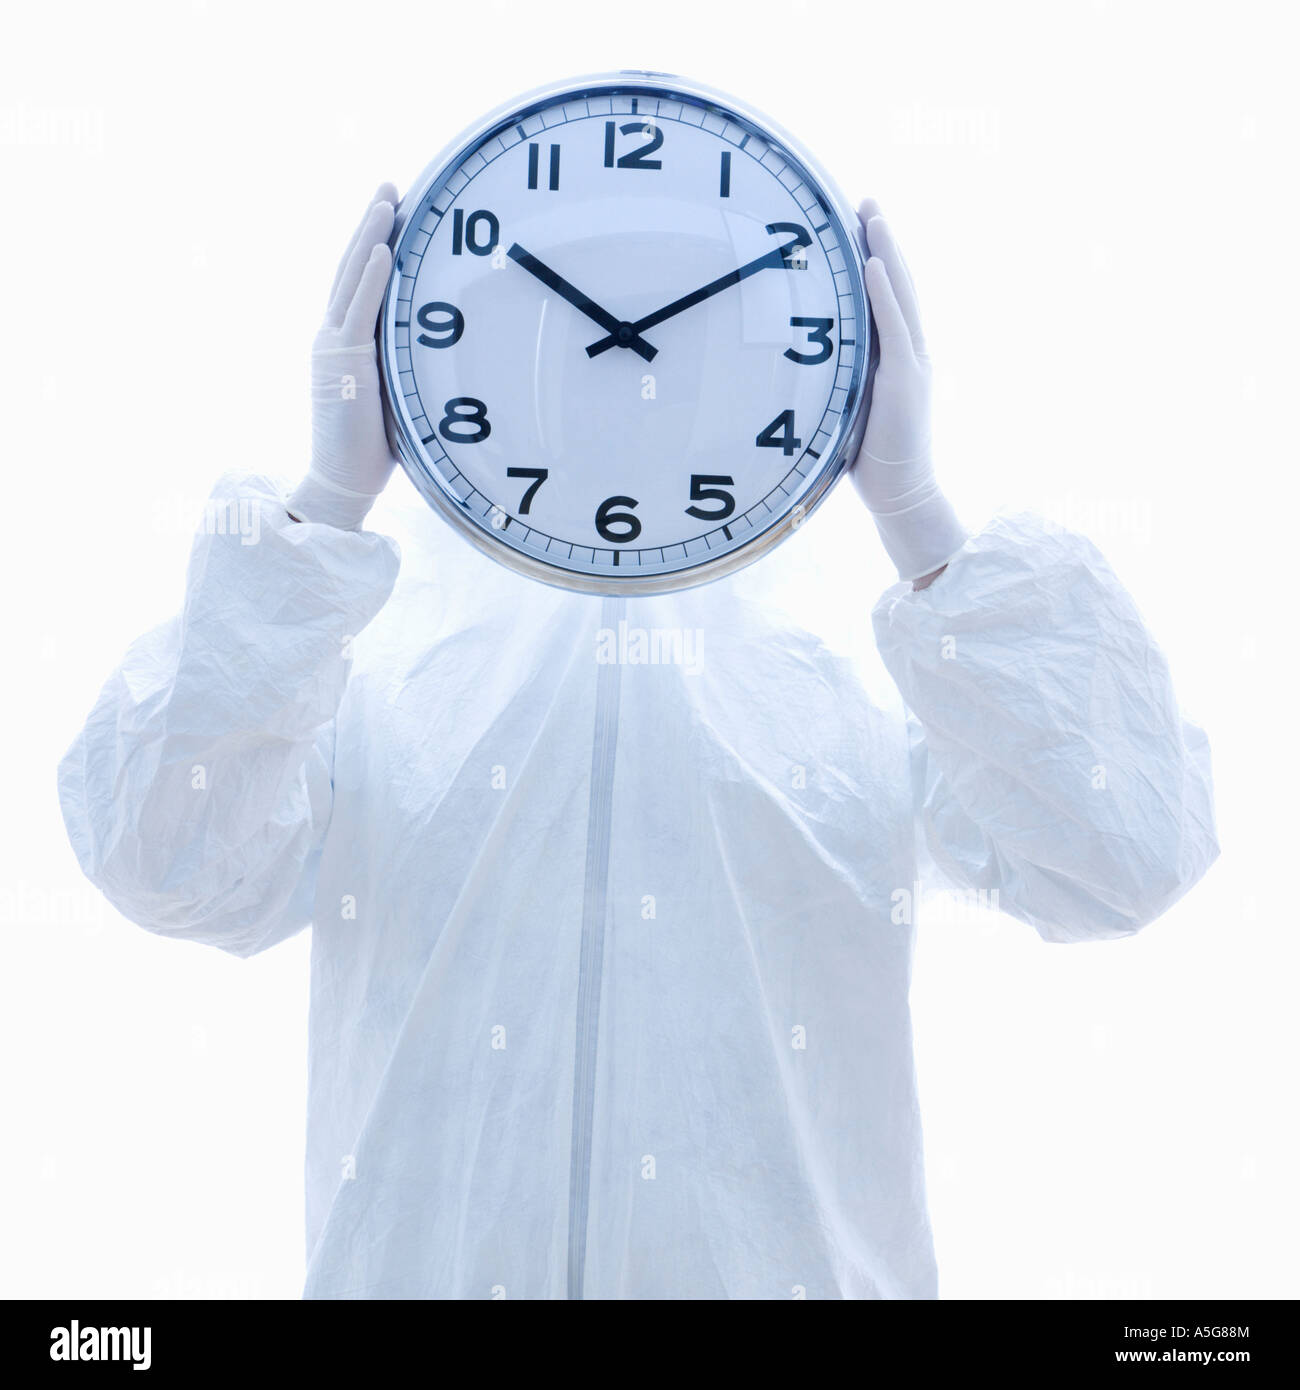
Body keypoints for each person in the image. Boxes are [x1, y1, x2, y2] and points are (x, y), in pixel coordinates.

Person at [58, 185, 1219, 1300]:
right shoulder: (376, 626)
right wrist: (322, 511)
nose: (625, 350)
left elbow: (1120, 858)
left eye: (687, 311)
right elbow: (167, 863)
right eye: (563, 313)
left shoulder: (864, 641)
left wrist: (923, 528)